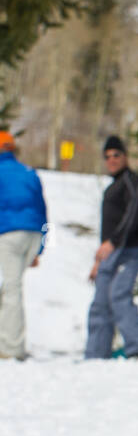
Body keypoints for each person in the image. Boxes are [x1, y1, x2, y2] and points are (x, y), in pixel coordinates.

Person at [85, 135, 138, 360]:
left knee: (119, 294)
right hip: (111, 253)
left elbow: (131, 217)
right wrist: (98, 260)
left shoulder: (134, 182)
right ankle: (95, 355)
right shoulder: (111, 188)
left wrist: (113, 242)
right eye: (107, 156)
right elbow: (107, 229)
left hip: (130, 250)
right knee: (100, 302)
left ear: (125, 156)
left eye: (116, 155)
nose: (111, 160)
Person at [0, 130, 47, 361]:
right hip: (32, 236)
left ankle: (11, 349)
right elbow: (43, 209)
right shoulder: (29, 173)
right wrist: (40, 248)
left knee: (11, 289)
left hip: (8, 235)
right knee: (10, 288)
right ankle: (7, 340)